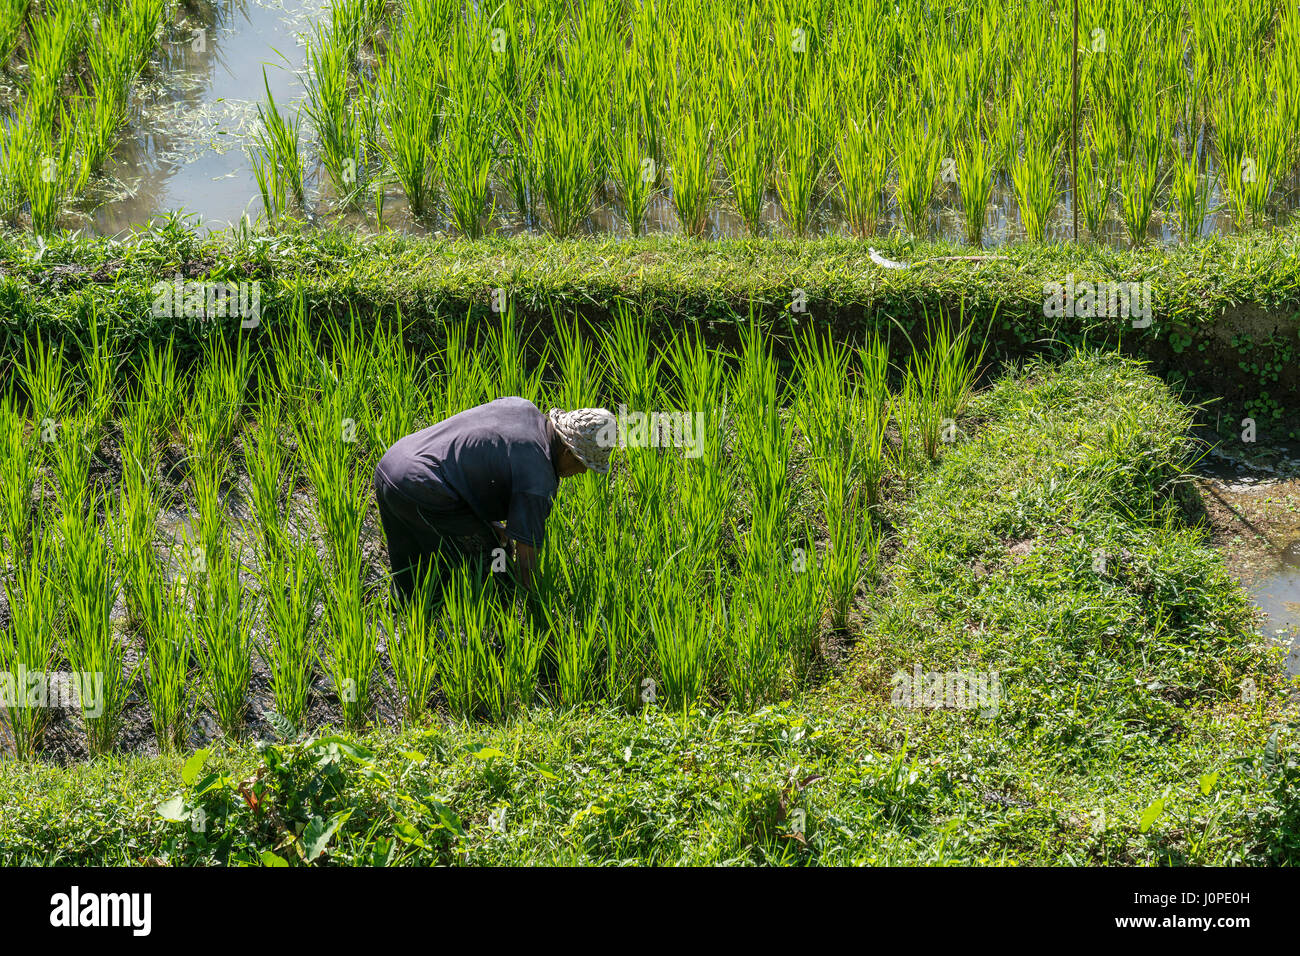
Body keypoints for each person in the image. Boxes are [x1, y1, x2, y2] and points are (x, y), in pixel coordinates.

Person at [374, 396, 615, 599]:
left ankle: (405, 632)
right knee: (492, 565)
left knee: (410, 576)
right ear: (568, 451)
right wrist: (539, 616)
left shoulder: (521, 406)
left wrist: (489, 525)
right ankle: (491, 637)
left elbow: (475, 461)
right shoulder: (539, 480)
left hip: (392, 465)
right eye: (583, 464)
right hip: (423, 490)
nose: (583, 472)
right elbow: (525, 564)